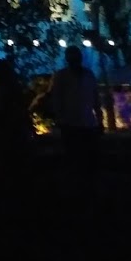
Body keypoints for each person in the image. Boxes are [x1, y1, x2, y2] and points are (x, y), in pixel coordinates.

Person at [49, 45, 101, 175]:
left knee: (86, 157)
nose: (74, 59)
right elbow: (57, 99)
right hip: (71, 123)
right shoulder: (62, 76)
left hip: (85, 122)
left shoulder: (88, 75)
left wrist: (99, 119)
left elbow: (95, 98)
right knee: (74, 157)